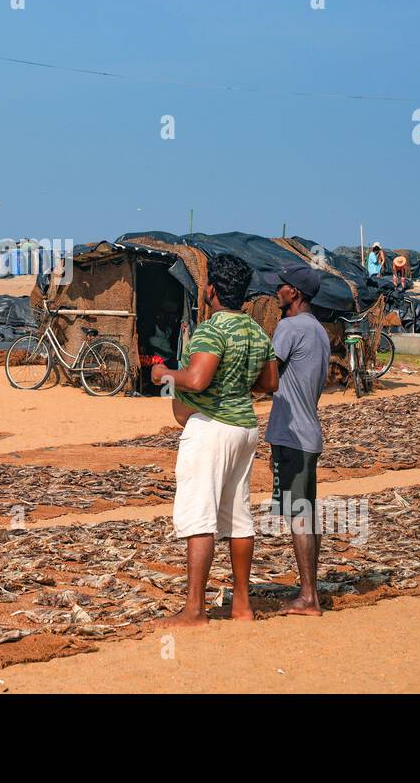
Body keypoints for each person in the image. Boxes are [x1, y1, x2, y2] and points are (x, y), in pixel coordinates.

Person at [150, 254, 277, 626]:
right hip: (245, 428)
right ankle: (241, 606)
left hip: (211, 428)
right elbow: (270, 384)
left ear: (212, 291)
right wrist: (235, 386)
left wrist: (162, 373)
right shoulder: (256, 330)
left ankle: (194, 610)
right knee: (239, 518)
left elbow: (197, 379)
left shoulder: (211, 329)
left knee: (199, 515)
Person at [267, 264, 331, 616]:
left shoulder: (289, 327)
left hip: (290, 434)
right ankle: (311, 590)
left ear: (297, 294)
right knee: (306, 512)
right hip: (309, 433)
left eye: (283, 287)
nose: (278, 291)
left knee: (298, 515)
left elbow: (269, 373)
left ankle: (308, 597)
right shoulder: (318, 330)